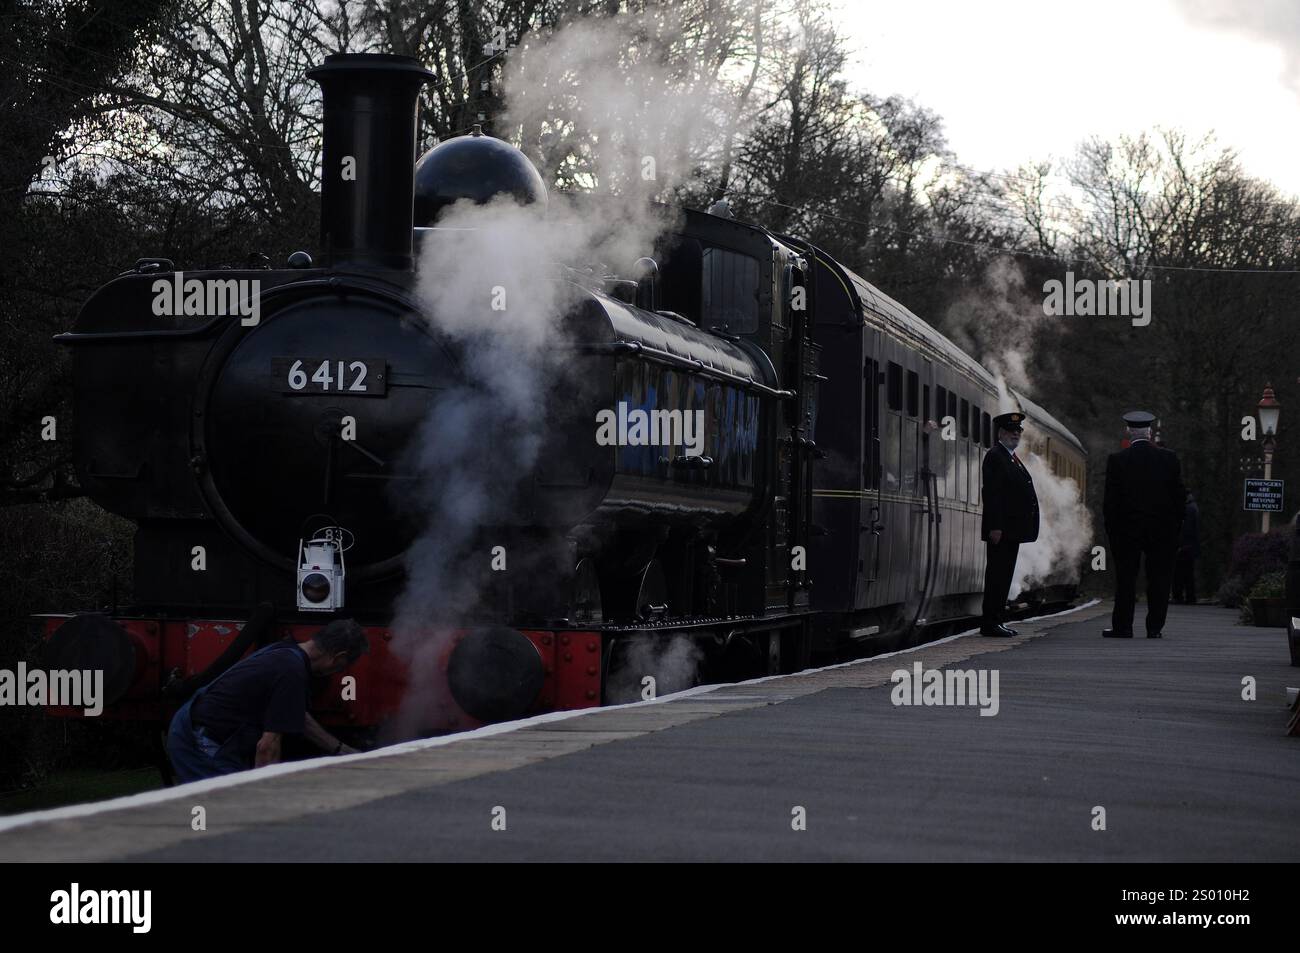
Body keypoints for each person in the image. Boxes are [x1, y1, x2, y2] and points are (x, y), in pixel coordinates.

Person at [166, 618, 368, 782]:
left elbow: (296, 715)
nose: (339, 671)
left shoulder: (285, 652)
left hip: (197, 730)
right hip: (204, 742)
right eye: (343, 665)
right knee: (231, 814)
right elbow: (267, 747)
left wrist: (342, 750)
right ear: (338, 657)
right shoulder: (292, 670)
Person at [1102, 411, 1186, 638]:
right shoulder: (1169, 459)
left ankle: (1123, 627)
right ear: (1150, 433)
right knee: (1159, 580)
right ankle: (1154, 628)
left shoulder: (1117, 461)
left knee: (1126, 580)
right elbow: (1180, 498)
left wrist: (1112, 531)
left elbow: (1110, 503)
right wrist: (1176, 527)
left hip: (1126, 531)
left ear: (1128, 432)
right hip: (1162, 531)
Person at [980, 411, 1040, 636]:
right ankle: (990, 623)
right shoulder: (996, 456)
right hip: (1001, 530)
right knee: (997, 575)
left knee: (1004, 575)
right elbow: (993, 494)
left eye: (1018, 432)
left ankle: (997, 620)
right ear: (1001, 433)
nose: (1016, 435)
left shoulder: (1011, 457)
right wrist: (995, 526)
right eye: (1011, 431)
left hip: (1010, 530)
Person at [1172, 490, 1200, 604]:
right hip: (1191, 546)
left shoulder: (1187, 509)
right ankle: (1190, 596)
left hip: (1185, 546)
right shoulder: (1194, 507)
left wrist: (1179, 544)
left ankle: (1179, 596)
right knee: (1188, 573)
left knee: (1179, 572)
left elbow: (1185, 529)